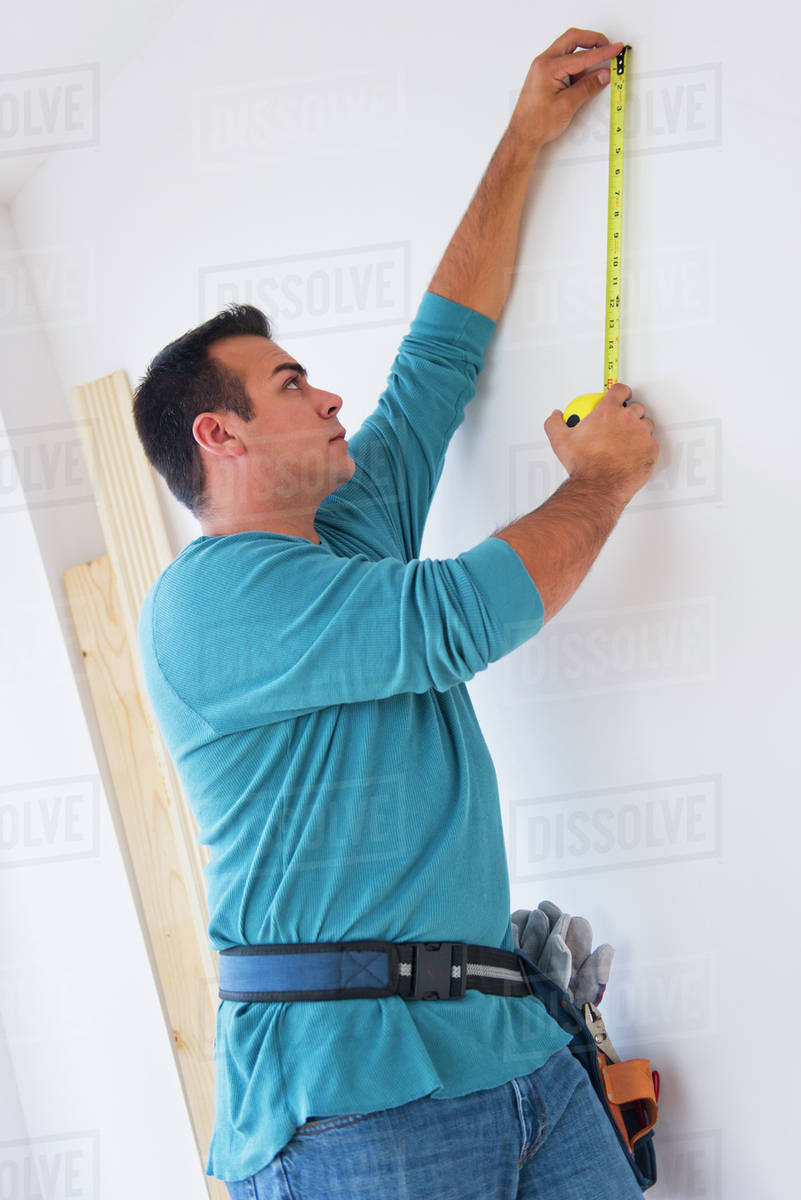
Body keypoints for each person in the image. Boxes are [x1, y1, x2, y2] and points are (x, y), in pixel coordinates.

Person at [133, 26, 658, 1200]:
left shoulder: (346, 531)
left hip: (519, 1056)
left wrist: (523, 143)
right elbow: (457, 615)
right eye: (289, 386)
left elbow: (434, 366)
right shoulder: (210, 608)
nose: (328, 396)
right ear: (219, 437)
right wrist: (605, 480)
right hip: (348, 1114)